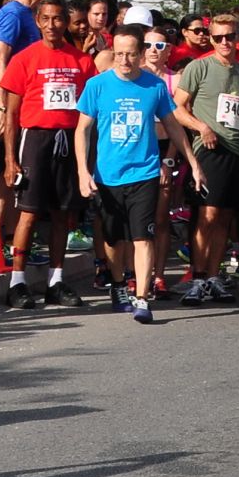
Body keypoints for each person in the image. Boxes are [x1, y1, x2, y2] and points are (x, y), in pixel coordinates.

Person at [75, 26, 191, 323]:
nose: (124, 60)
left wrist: (192, 161)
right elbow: (82, 130)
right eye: (119, 54)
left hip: (145, 172)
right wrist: (82, 171)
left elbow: (172, 124)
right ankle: (118, 284)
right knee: (114, 240)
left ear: (141, 55)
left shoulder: (154, 86)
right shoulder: (97, 85)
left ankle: (141, 296)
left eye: (130, 54)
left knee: (143, 237)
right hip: (108, 175)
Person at [0, 0, 95, 307]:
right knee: (28, 213)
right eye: (46, 19)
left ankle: (56, 280)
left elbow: (91, 112)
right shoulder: (24, 59)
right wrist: (10, 159)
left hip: (69, 140)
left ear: (66, 23)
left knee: (62, 213)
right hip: (36, 139)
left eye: (58, 19)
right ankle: (17, 281)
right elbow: (12, 115)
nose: (52, 25)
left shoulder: (82, 62)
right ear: (37, 22)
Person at [173, 12, 239, 304]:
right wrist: (201, 127)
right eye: (217, 37)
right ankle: (197, 277)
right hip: (209, 149)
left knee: (224, 217)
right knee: (207, 214)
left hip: (237, 151)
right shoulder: (199, 67)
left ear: (237, 36)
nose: (224, 42)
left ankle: (212, 276)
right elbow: (177, 107)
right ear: (210, 38)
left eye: (229, 36)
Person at [0, 0, 51, 265]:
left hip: (28, 105)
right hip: (11, 106)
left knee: (18, 174)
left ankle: (13, 241)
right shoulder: (12, 13)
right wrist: (2, 105)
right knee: (3, 172)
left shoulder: (29, 14)